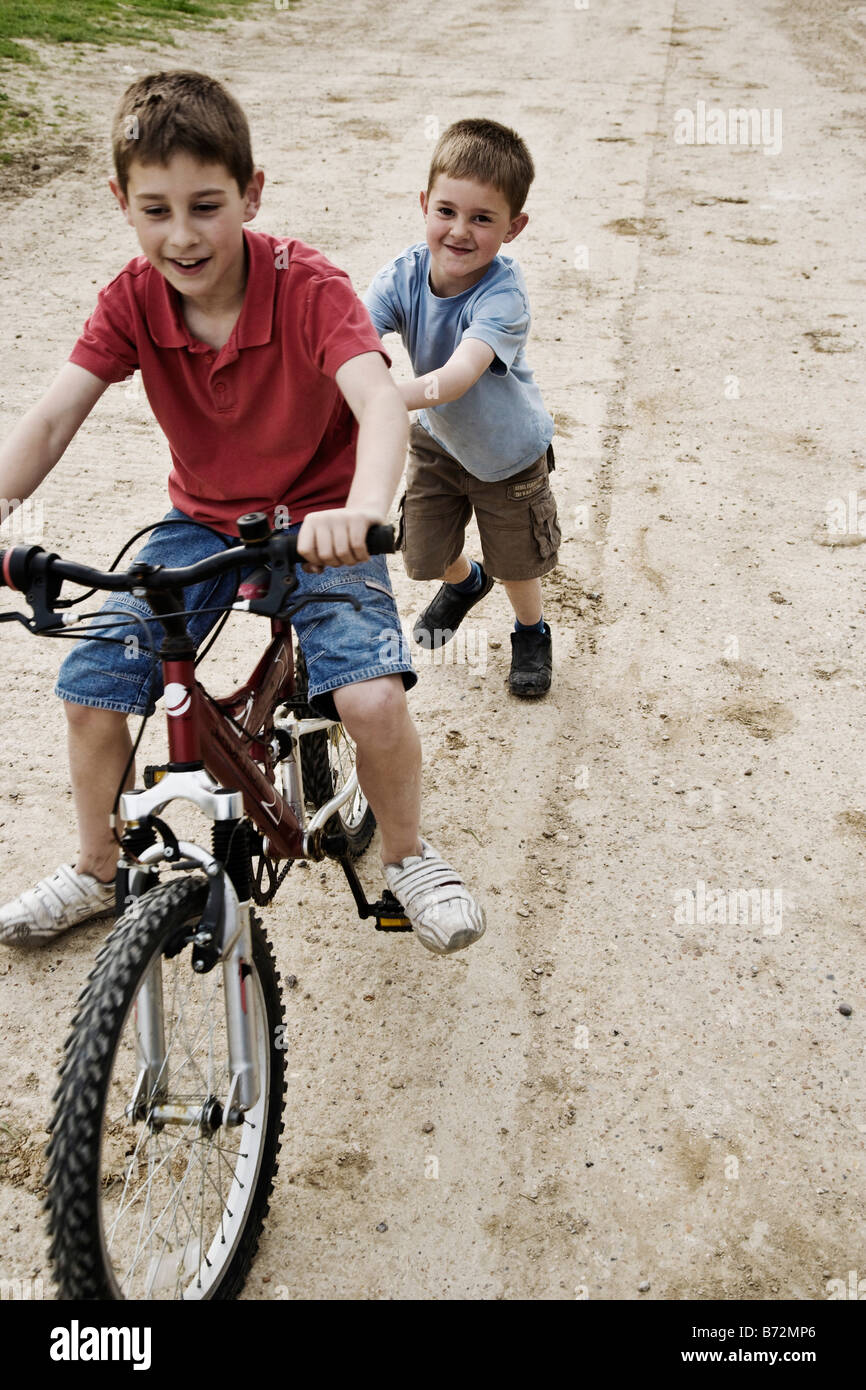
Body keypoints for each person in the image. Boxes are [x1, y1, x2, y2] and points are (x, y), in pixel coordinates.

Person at [0, 70, 485, 956]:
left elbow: (378, 404)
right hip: (204, 522)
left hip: (320, 520)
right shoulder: (131, 300)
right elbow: (52, 415)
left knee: (371, 697)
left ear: (252, 194)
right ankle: (96, 866)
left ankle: (411, 857)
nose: (181, 236)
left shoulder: (310, 289)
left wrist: (360, 512)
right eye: (155, 210)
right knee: (91, 689)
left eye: (206, 205)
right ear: (122, 203)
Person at [363, 117, 559, 698]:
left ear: (514, 227)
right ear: (424, 204)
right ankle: (467, 582)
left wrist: (378, 401)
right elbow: (354, 338)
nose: (459, 231)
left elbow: (454, 378)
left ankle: (531, 631)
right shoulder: (401, 275)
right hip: (440, 440)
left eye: (482, 218)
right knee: (421, 554)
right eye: (446, 211)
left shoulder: (502, 296)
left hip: (507, 454)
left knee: (517, 560)